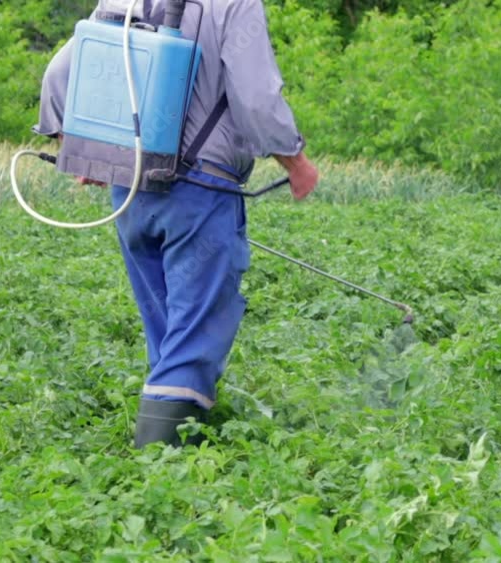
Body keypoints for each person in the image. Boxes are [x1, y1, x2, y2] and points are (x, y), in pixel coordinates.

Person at [32, 0, 318, 447]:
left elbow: (60, 73)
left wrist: (78, 146)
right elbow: (257, 99)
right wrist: (295, 162)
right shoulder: (235, 4)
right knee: (193, 331)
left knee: (166, 329)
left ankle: (165, 450)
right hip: (199, 191)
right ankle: (164, 468)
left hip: (129, 188)